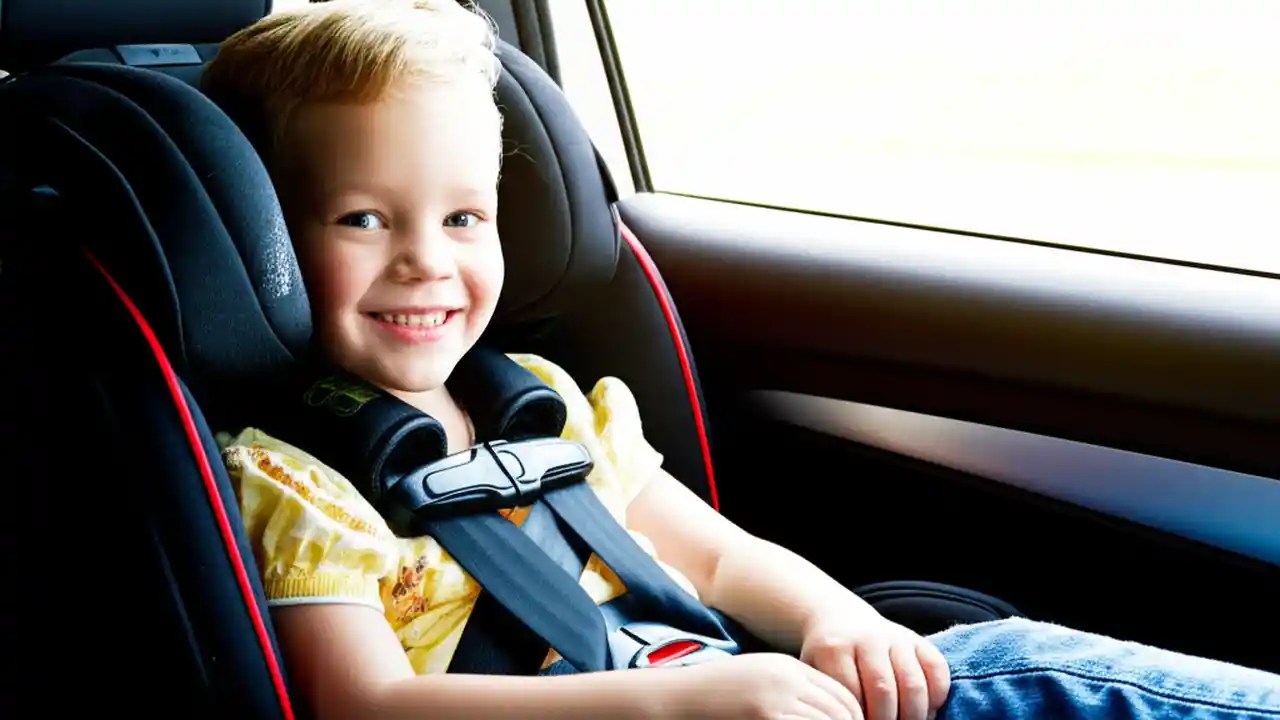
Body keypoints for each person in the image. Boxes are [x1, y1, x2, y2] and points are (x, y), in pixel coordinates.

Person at [203, 1, 1280, 718]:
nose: (425, 263)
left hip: (722, 688)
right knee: (1031, 680)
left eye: (464, 218)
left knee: (1012, 666)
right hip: (671, 702)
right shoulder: (290, 484)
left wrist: (833, 621)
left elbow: (712, 561)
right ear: (265, 250)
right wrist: (665, 703)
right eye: (360, 219)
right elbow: (373, 707)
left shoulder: (549, 411)